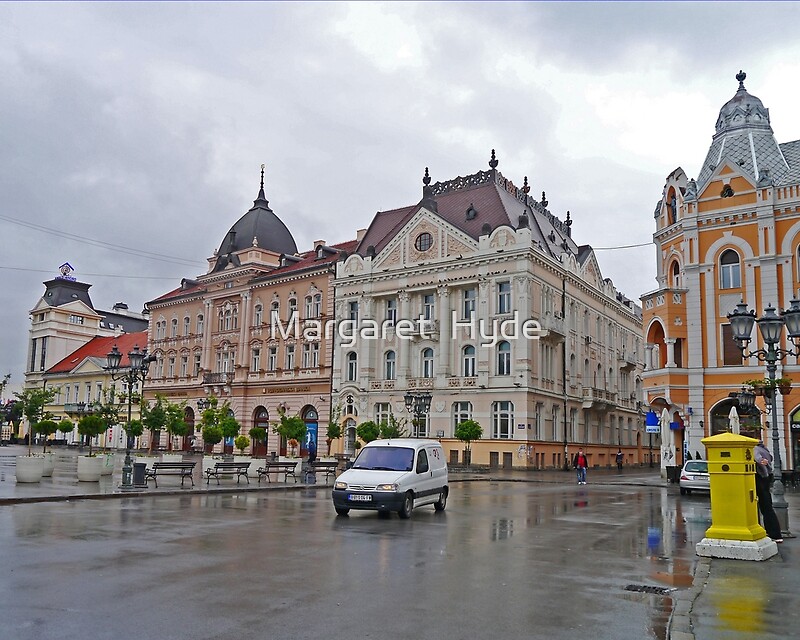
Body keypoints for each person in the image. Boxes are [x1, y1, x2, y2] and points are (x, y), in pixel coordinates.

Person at [754, 438, 783, 542]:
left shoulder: (755, 448)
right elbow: (770, 457)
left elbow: (757, 458)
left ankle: (772, 533)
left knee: (762, 507)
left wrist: (761, 461)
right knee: (767, 506)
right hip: (767, 478)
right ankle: (775, 533)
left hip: (760, 478)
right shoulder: (764, 449)